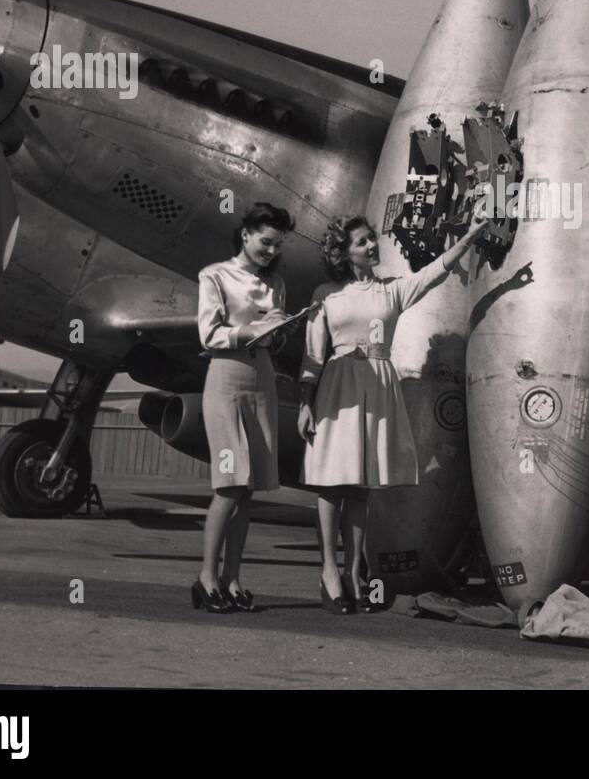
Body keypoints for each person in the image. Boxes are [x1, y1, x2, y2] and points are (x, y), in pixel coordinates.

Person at [299, 213, 486, 614]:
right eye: (362, 242)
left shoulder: (392, 292)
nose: (372, 246)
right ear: (345, 252)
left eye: (372, 239)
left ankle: (353, 574)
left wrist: (470, 233)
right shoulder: (325, 294)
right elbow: (313, 355)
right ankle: (329, 573)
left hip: (379, 385)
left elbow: (436, 271)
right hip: (339, 386)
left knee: (361, 488)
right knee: (332, 485)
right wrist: (305, 403)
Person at [193, 201, 296, 613]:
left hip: (262, 379)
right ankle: (206, 578)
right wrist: (252, 329)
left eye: (277, 246)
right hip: (226, 378)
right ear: (246, 234)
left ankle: (233, 580)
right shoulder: (214, 275)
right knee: (230, 483)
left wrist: (281, 331)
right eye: (265, 242)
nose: (270, 252)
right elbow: (208, 333)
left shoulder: (278, 284)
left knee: (249, 489)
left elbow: (277, 338)